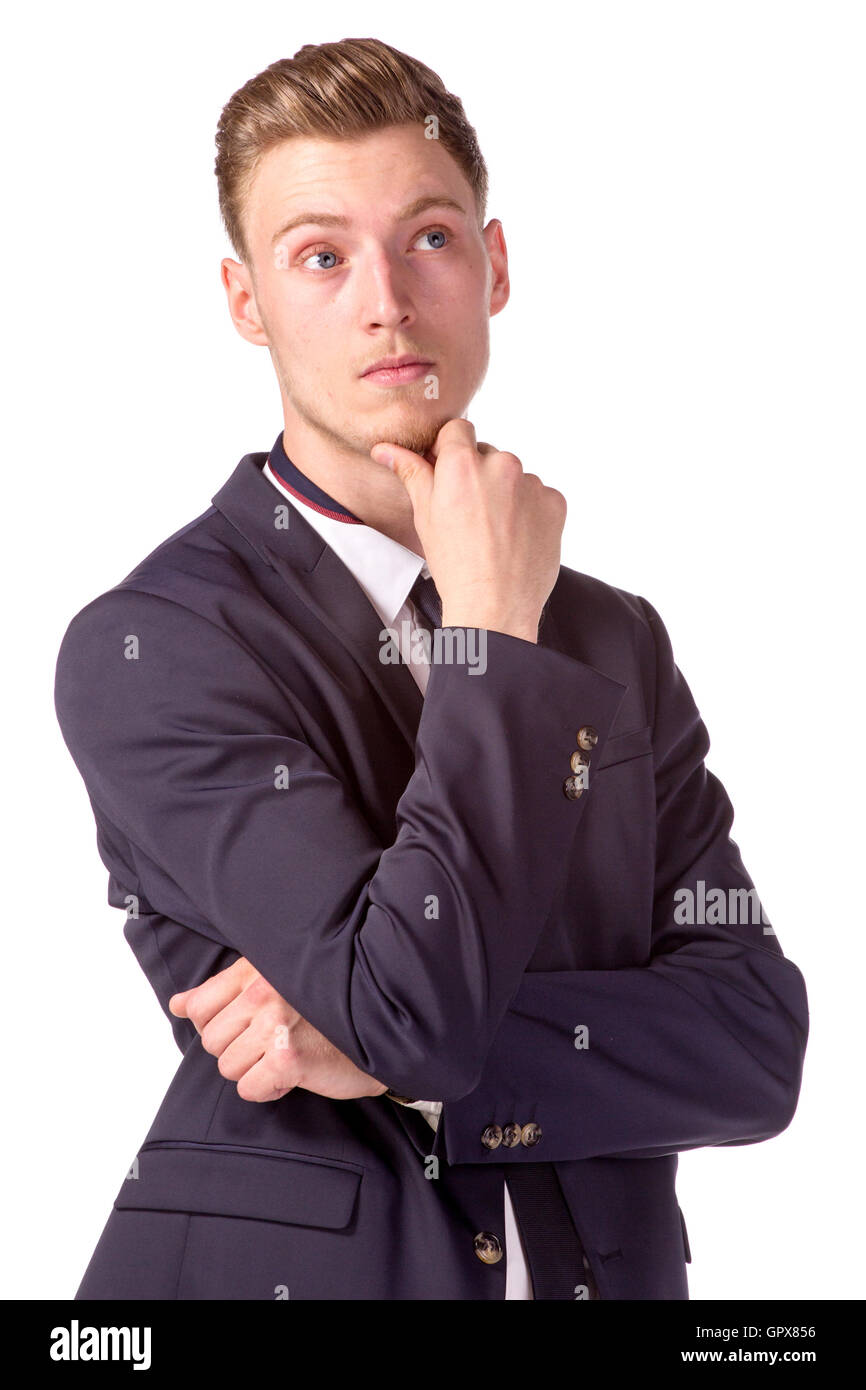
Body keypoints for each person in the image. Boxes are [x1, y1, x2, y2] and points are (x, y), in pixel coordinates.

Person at [53, 37, 809, 1301]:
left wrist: (370, 1040)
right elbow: (413, 1013)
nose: (386, 301)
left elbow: (752, 1046)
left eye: (429, 239)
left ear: (494, 263)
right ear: (247, 302)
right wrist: (492, 641)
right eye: (320, 255)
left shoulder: (615, 637)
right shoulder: (157, 647)